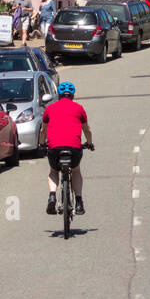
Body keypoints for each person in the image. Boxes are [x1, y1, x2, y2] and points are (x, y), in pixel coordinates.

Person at [43, 81, 93, 216]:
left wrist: (42, 144)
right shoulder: (79, 108)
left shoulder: (50, 108)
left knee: (54, 170)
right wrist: (89, 143)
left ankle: (52, 196)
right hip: (74, 148)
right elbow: (87, 130)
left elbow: (43, 130)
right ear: (72, 95)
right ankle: (79, 202)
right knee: (76, 170)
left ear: (58, 95)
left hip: (54, 148)